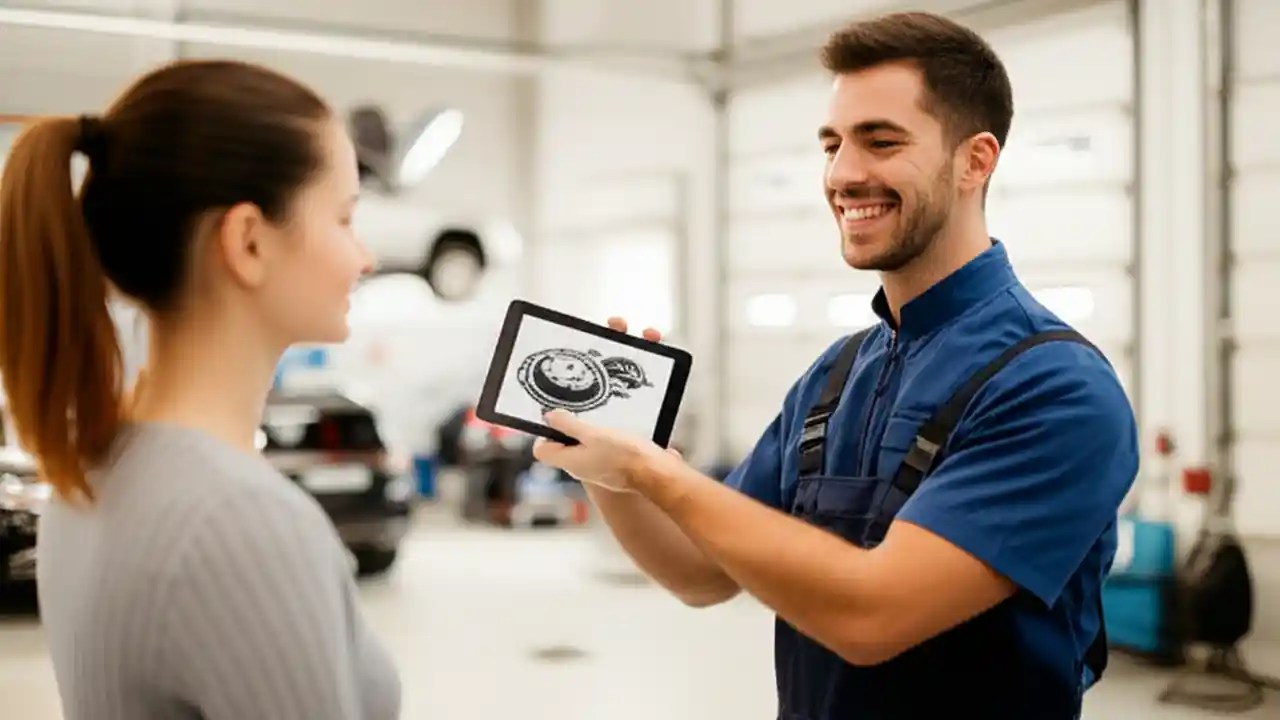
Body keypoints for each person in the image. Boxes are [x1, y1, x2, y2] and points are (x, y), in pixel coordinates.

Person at [532, 12, 1139, 720]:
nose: (845, 175)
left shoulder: (1056, 391)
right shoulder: (836, 375)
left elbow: (871, 616)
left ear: (975, 160)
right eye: (833, 144)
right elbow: (699, 574)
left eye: (881, 142)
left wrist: (655, 471)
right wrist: (611, 466)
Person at [0, 60, 400, 719]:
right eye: (344, 218)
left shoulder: (94, 473)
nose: (366, 256)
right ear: (248, 241)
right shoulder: (246, 523)